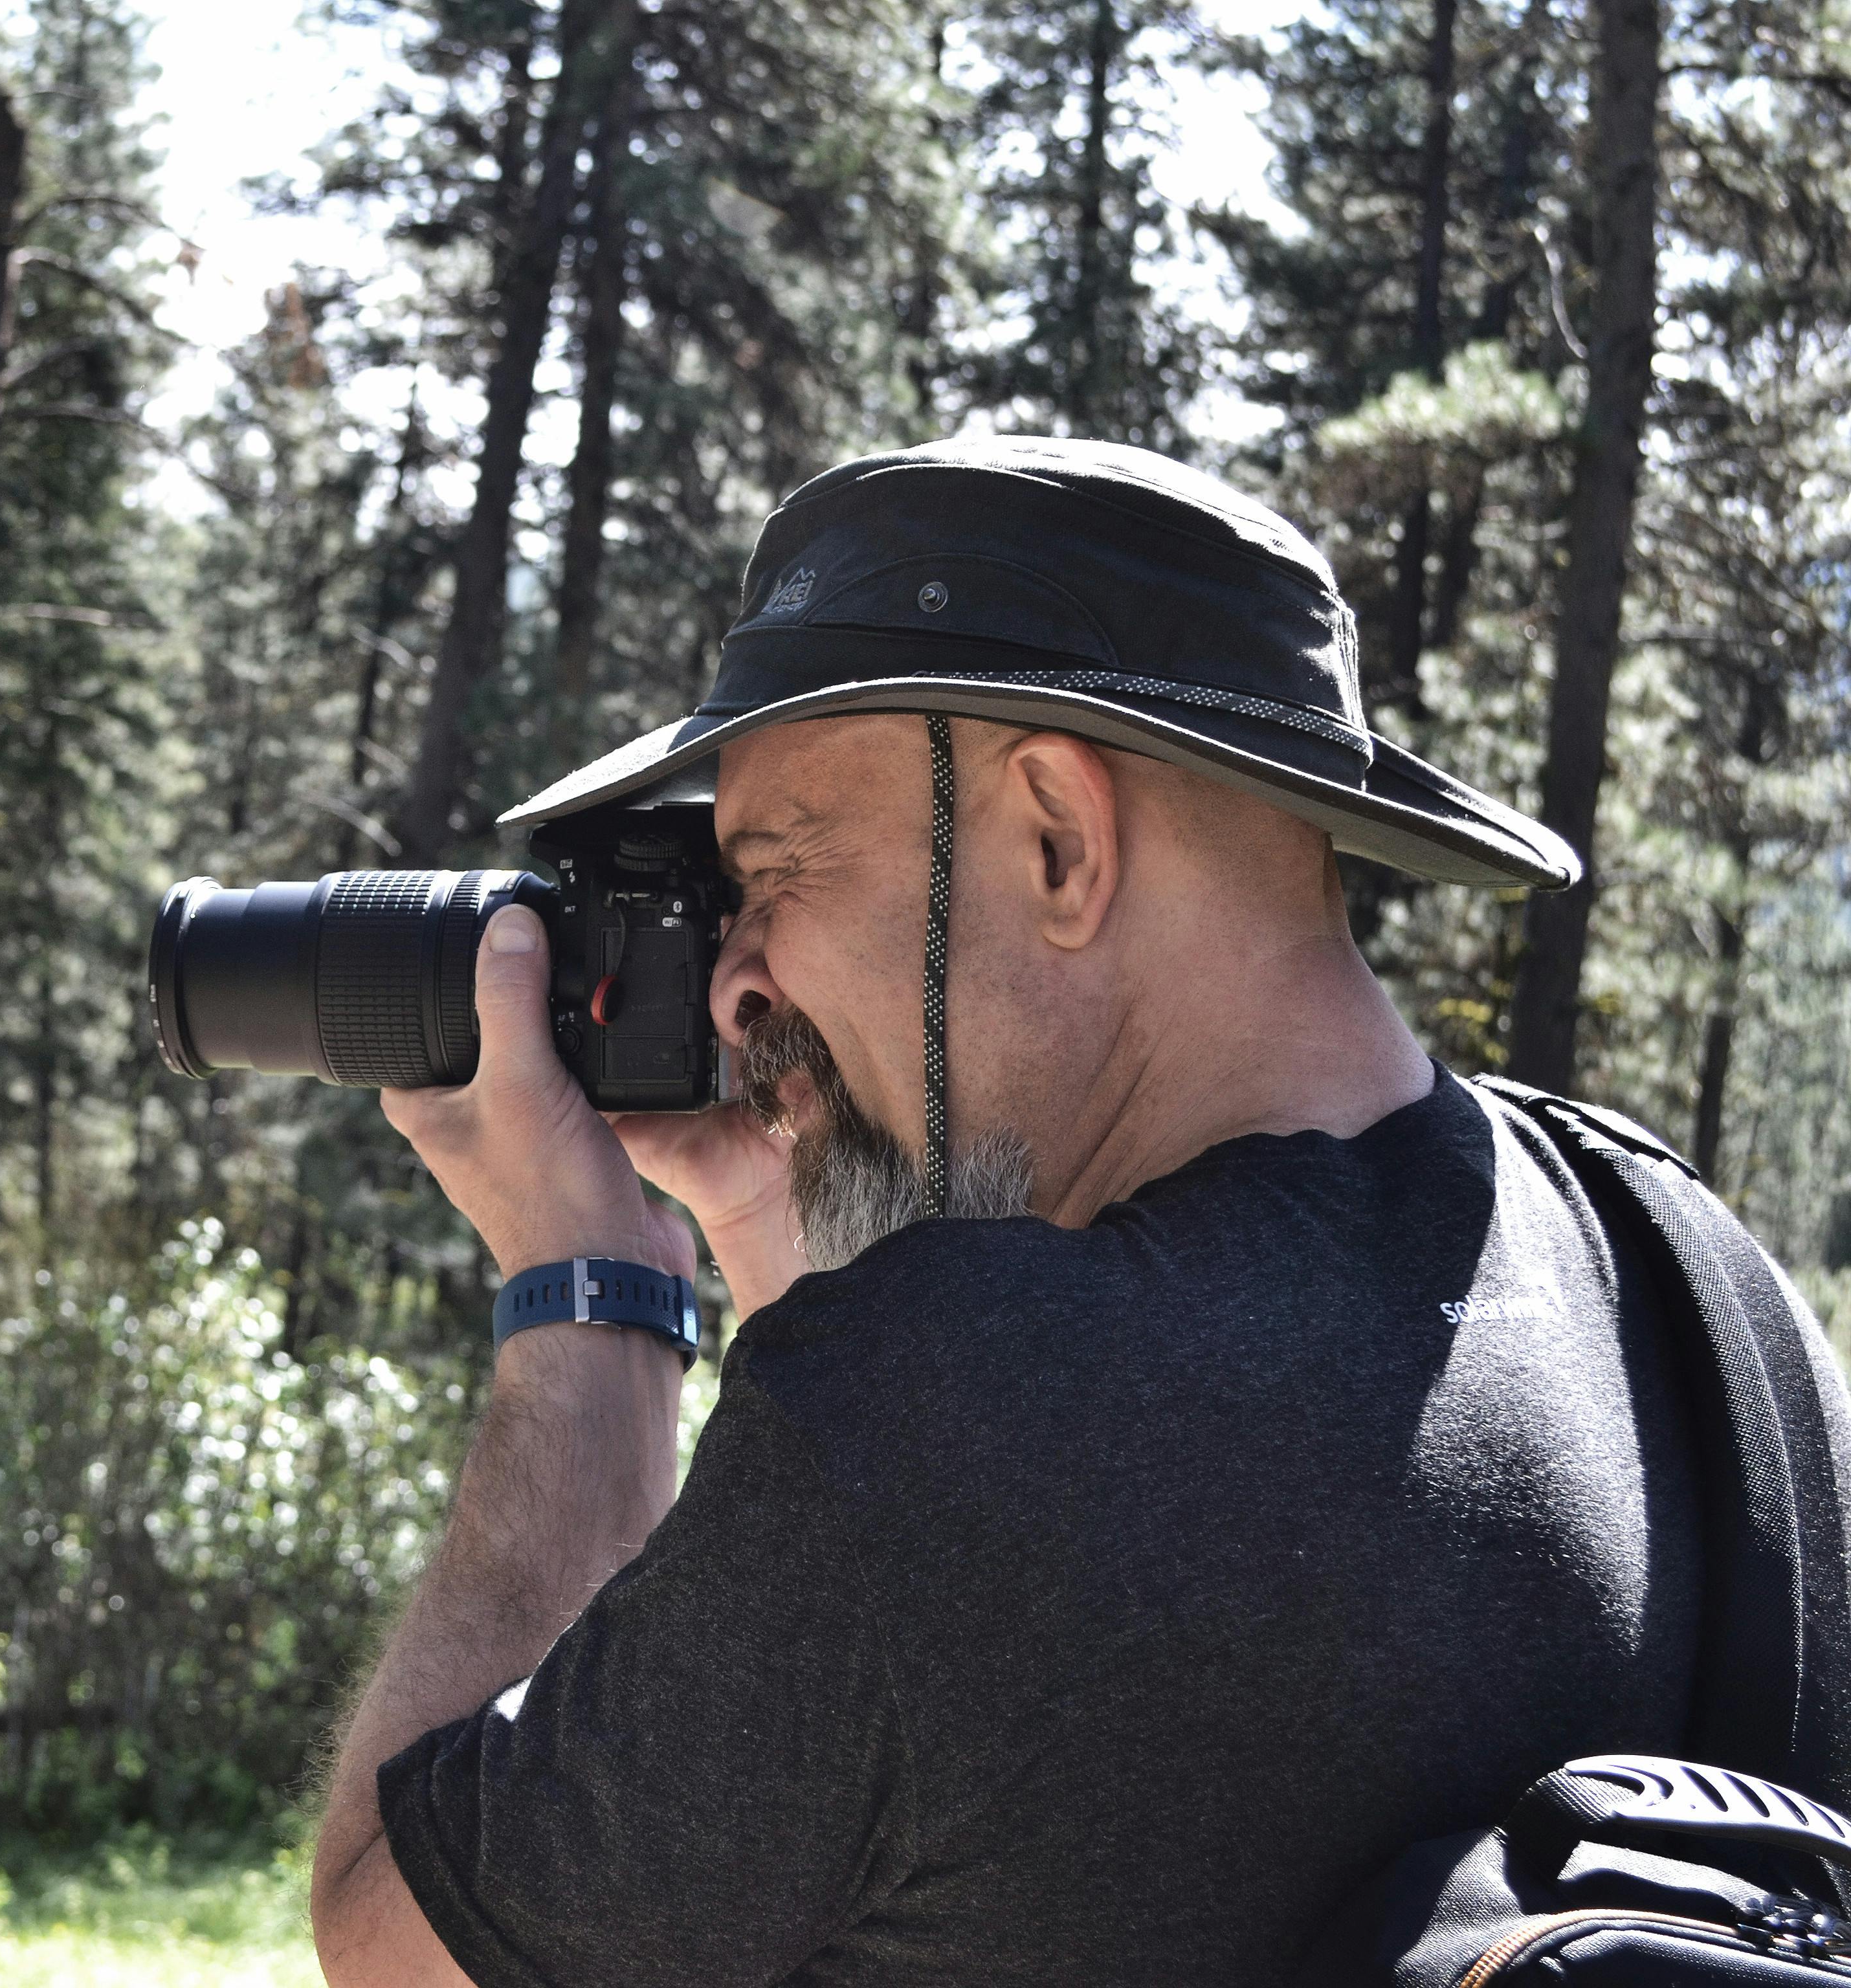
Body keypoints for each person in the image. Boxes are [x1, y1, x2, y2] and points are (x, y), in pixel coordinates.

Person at [304, 437, 1812, 1985]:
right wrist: (778, 1233)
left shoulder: (946, 1415)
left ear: (1058, 844)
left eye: (773, 872)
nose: (735, 979)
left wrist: (591, 1288)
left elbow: (393, 1949)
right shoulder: (1695, 1286)